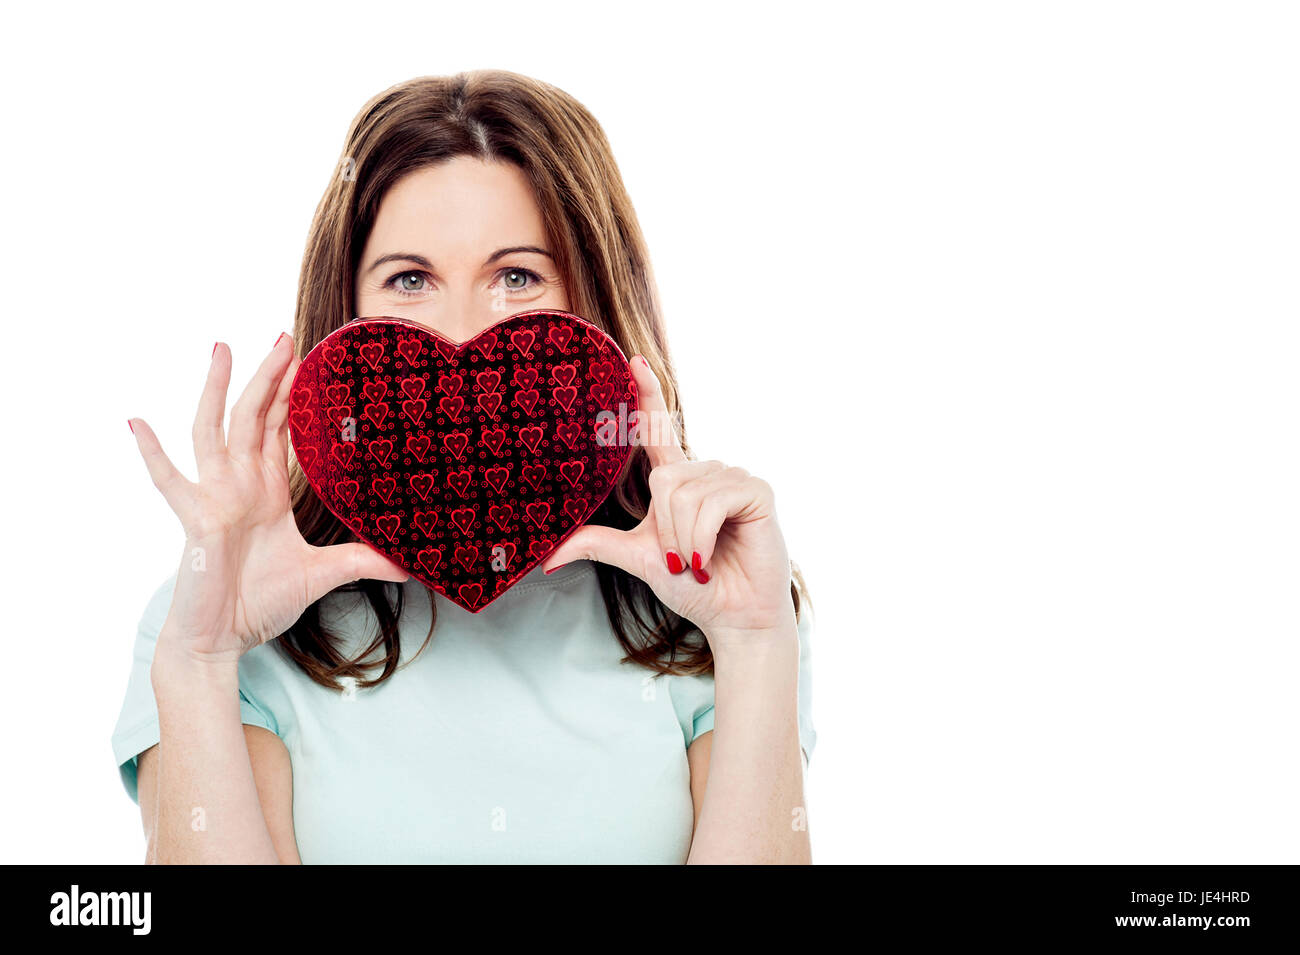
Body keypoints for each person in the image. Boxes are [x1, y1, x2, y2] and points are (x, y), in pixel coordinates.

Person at [113, 69, 816, 864]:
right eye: (410, 280)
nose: (460, 336)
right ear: (345, 309)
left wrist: (756, 642)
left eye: (516, 276)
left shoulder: (712, 609)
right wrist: (203, 659)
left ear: (590, 296)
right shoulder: (211, 617)